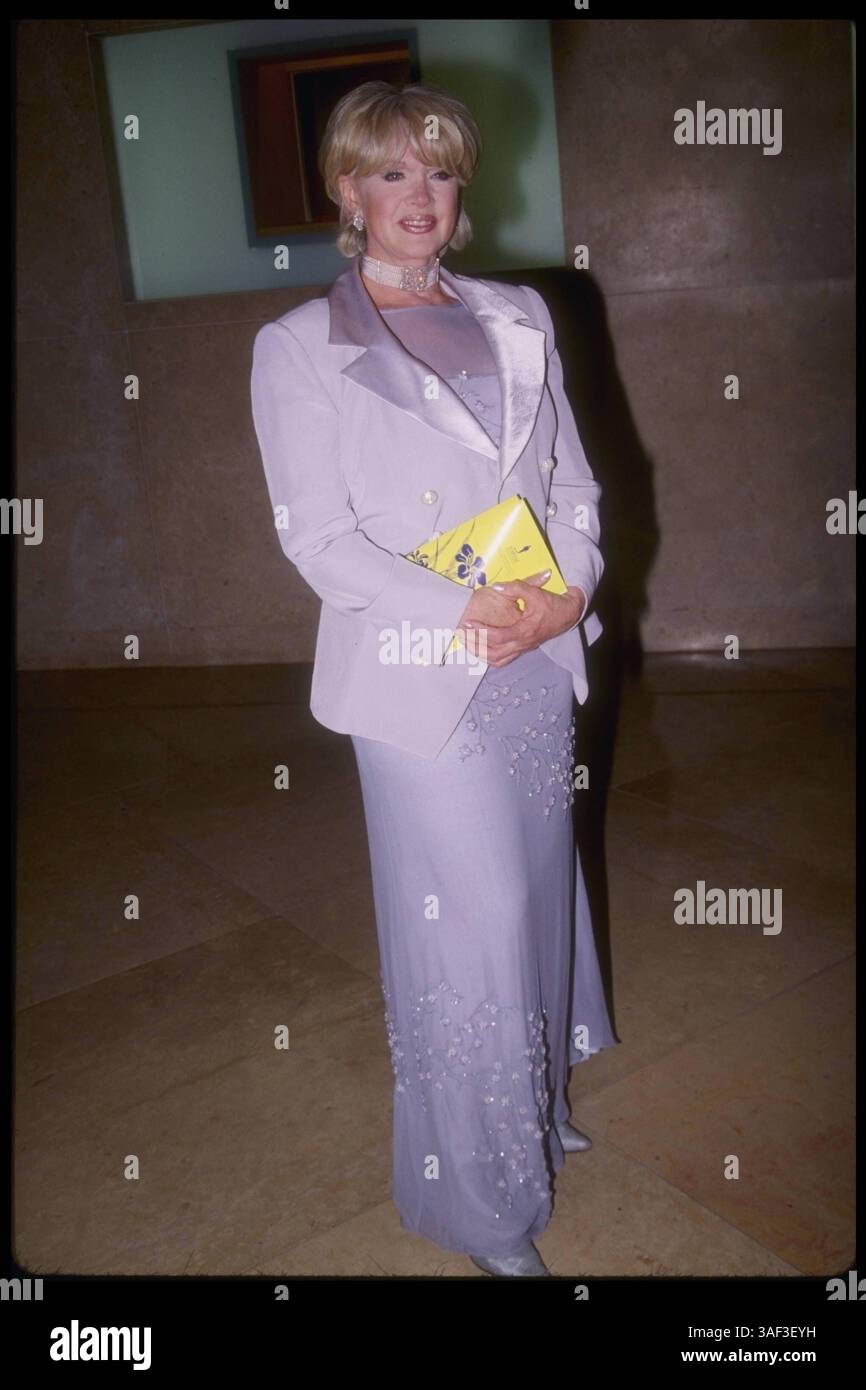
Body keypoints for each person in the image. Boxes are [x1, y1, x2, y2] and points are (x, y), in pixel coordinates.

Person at [250, 79, 618, 1277]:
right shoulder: (301, 346)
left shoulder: (518, 313)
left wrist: (568, 592)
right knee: (470, 929)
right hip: (419, 672)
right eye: (391, 172)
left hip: (531, 654)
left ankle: (536, 1102)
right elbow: (319, 540)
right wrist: (472, 608)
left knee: (536, 888)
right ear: (346, 192)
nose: (420, 195)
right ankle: (477, 1199)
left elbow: (570, 483)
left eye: (441, 170)